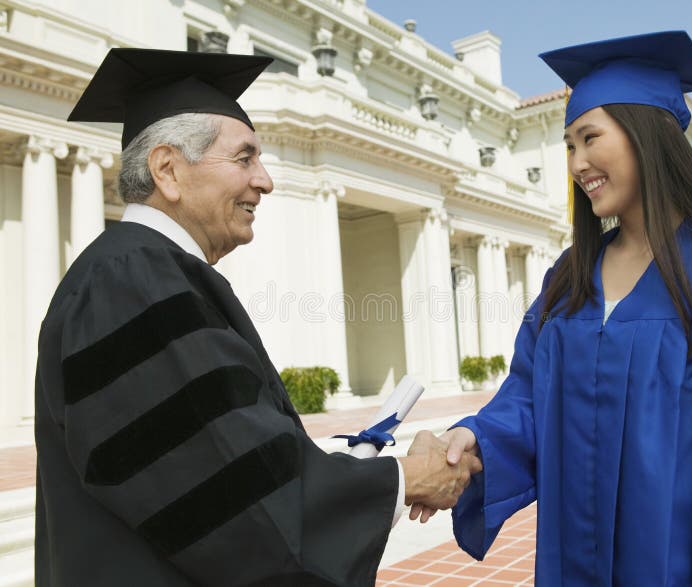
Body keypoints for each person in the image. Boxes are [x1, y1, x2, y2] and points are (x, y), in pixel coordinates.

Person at [35, 48, 480, 587]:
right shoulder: (132, 282)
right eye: (244, 158)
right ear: (168, 170)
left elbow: (222, 460)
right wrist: (402, 478)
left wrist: (358, 470)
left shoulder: (145, 274)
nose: (265, 181)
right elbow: (235, 501)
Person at [410, 31, 692, 585]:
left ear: (649, 135)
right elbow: (527, 397)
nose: (577, 162)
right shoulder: (568, 279)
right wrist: (470, 442)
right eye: (568, 145)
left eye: (590, 138)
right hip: (572, 563)